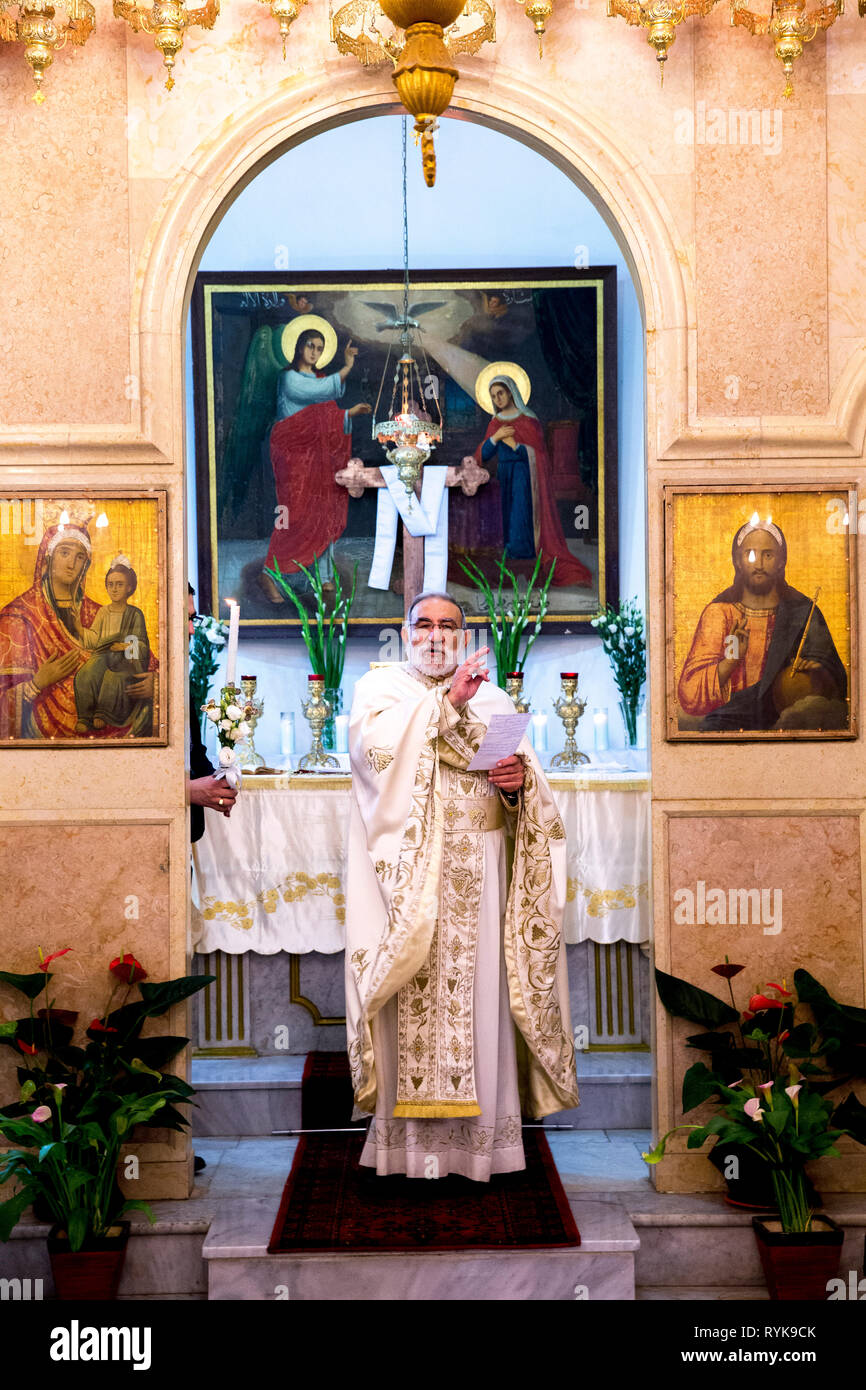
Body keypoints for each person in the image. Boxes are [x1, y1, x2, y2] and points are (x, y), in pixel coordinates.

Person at [345, 591, 578, 1181]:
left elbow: (523, 787)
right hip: (412, 879)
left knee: (480, 1003)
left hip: (481, 870)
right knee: (409, 998)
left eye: (448, 625)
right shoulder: (379, 690)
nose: (435, 635)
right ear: (405, 633)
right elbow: (373, 759)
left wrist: (516, 783)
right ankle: (405, 1154)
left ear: (463, 636)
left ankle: (484, 1151)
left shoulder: (495, 699)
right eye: (423, 624)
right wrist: (448, 702)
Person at [678, 519, 847, 731]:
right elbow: (690, 694)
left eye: (768, 555)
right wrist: (731, 661)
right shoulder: (719, 614)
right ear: (737, 560)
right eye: (750, 554)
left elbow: (837, 682)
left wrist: (816, 673)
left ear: (781, 561)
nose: (758, 564)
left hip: (791, 727)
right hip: (727, 725)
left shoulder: (804, 612)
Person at [0, 521, 157, 740]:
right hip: (40, 742)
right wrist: (36, 684)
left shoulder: (100, 612)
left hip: (116, 728)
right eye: (64, 553)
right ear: (48, 558)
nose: (71, 564)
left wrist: (155, 686)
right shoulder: (19, 616)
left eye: (80, 557)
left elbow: (146, 663)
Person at [258, 320, 372, 604]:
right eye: (310, 345)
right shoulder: (289, 379)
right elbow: (317, 395)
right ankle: (269, 572)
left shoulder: (320, 377)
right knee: (295, 517)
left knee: (324, 512)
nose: (314, 352)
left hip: (320, 459)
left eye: (320, 348)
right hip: (293, 457)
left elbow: (328, 416)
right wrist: (346, 369)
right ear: (299, 347)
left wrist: (345, 416)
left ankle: (323, 576)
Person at [475, 372, 592, 587]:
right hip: (504, 476)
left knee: (519, 516)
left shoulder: (528, 419)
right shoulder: (495, 423)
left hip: (524, 476)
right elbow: (482, 455)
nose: (497, 399)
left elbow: (540, 455)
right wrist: (496, 438)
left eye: (500, 393)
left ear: (511, 392)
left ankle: (522, 558)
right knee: (502, 516)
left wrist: (516, 446)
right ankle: (506, 561)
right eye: (493, 396)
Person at [72, 555, 151, 733]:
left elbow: (142, 645)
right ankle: (85, 717)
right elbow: (94, 639)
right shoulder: (103, 612)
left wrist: (125, 647)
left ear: (129, 587)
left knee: (112, 677)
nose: (114, 589)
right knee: (85, 673)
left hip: (126, 661)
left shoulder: (135, 614)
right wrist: (79, 628)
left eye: (119, 584)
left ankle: (103, 714)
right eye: (110, 584)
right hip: (103, 655)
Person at [187, 584, 237, 841]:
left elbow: (194, 752)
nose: (191, 630)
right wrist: (188, 791)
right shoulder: (133, 682)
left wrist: (219, 780)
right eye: (185, 619)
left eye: (192, 619)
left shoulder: (179, 679)